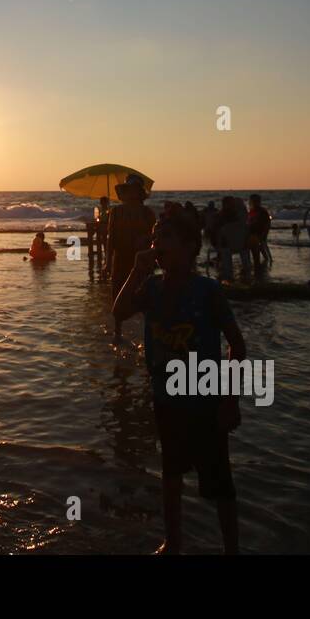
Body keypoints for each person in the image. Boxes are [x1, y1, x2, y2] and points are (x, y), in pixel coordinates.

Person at [112, 212, 246, 554]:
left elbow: (237, 344)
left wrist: (230, 399)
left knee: (219, 481)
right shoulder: (152, 288)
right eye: (155, 237)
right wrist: (137, 269)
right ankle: (174, 541)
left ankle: (232, 549)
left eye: (166, 237)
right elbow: (119, 310)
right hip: (166, 399)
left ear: (190, 247)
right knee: (171, 472)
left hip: (206, 399)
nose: (158, 244)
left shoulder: (207, 291)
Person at [106, 174, 156, 301]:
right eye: (129, 190)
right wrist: (107, 262)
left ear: (140, 193)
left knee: (142, 296)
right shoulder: (116, 212)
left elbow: (154, 238)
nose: (132, 193)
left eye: (135, 190)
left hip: (141, 258)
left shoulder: (148, 212)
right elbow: (111, 237)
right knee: (118, 296)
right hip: (120, 258)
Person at [216, 196, 252, 282]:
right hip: (242, 245)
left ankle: (228, 275)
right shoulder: (244, 218)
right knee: (244, 252)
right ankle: (247, 272)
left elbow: (216, 233)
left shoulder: (221, 217)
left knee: (225, 250)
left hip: (227, 246)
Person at [246, 194, 272, 277]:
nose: (252, 203)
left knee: (252, 242)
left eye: (255, 201)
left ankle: (255, 263)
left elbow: (267, 225)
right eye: (252, 201)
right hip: (251, 234)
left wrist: (263, 236)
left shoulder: (262, 212)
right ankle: (247, 262)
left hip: (258, 235)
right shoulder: (251, 211)